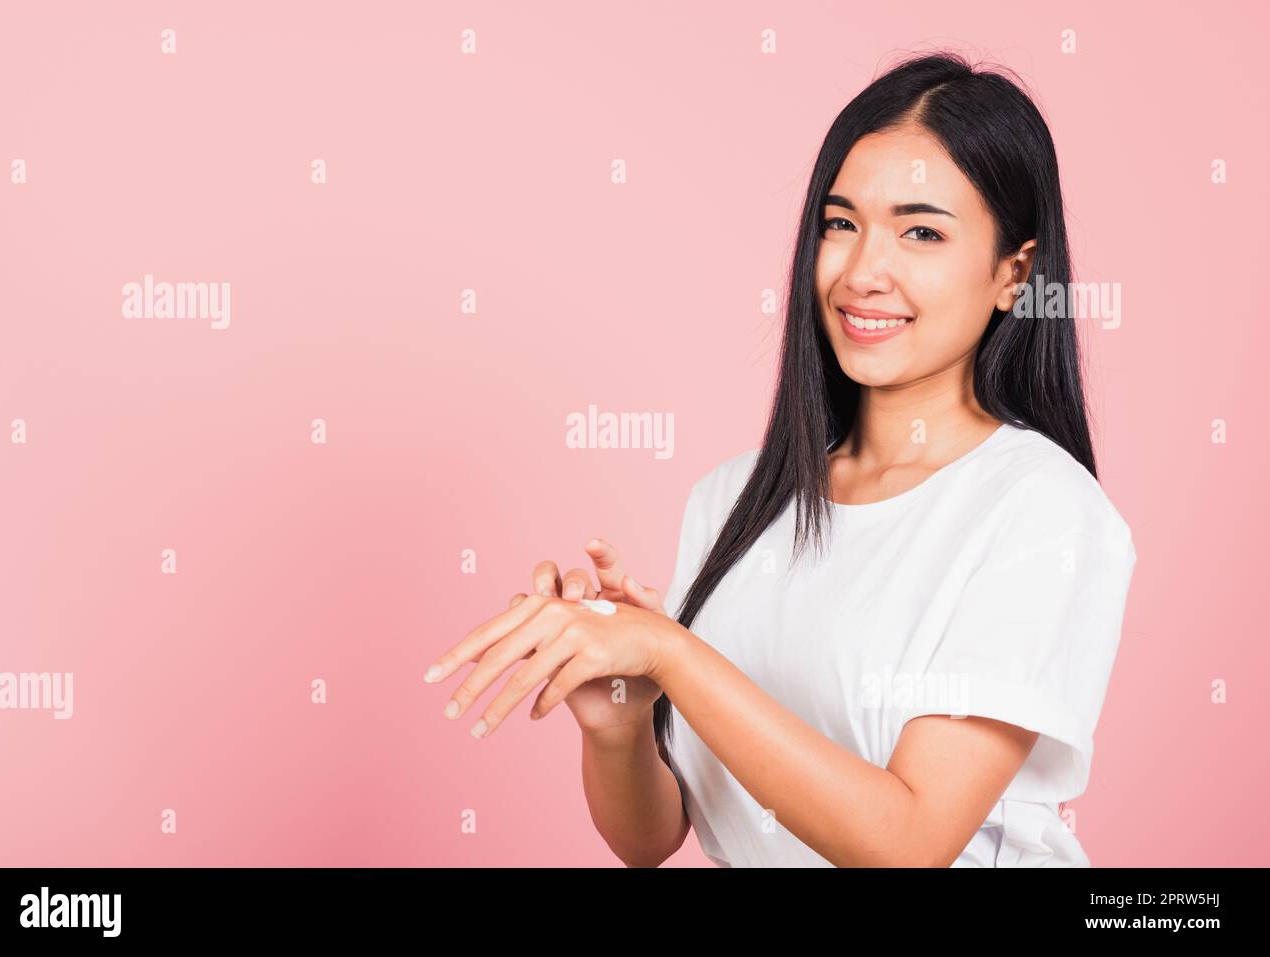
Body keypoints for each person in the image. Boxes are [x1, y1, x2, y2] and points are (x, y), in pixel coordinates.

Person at [423, 50, 1138, 867]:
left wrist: (670, 652)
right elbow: (651, 837)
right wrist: (620, 719)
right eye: (841, 224)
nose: (864, 272)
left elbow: (907, 844)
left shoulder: (1042, 509)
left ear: (1014, 273)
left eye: (921, 231)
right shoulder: (734, 497)